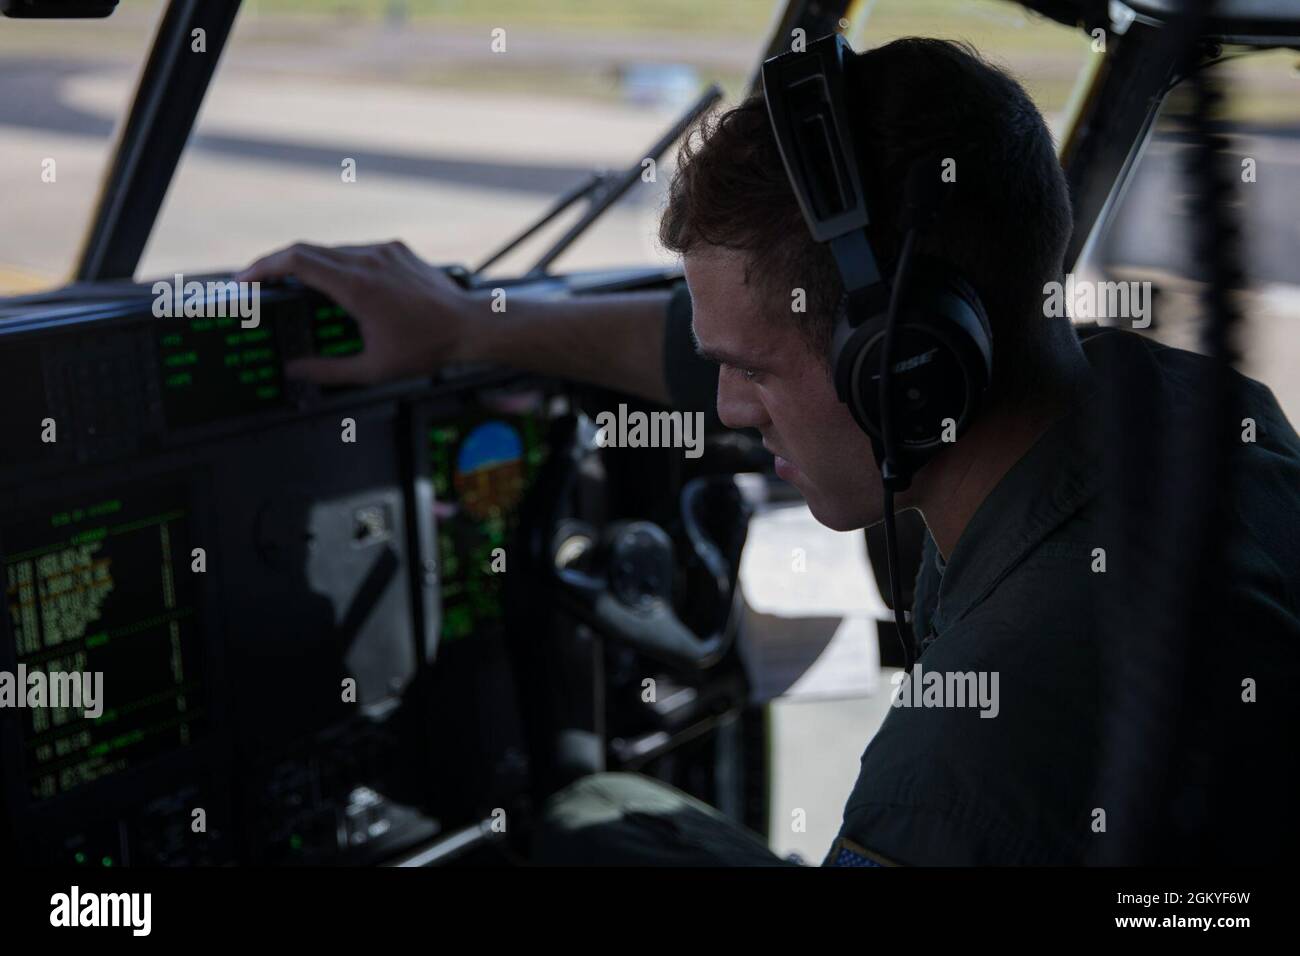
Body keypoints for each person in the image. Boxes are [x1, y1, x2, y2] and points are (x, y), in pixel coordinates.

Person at [239, 38, 1300, 865]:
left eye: (748, 369)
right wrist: (469, 326)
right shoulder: (1194, 411)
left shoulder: (962, 771)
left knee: (588, 819)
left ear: (902, 367)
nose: (727, 410)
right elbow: (717, 341)